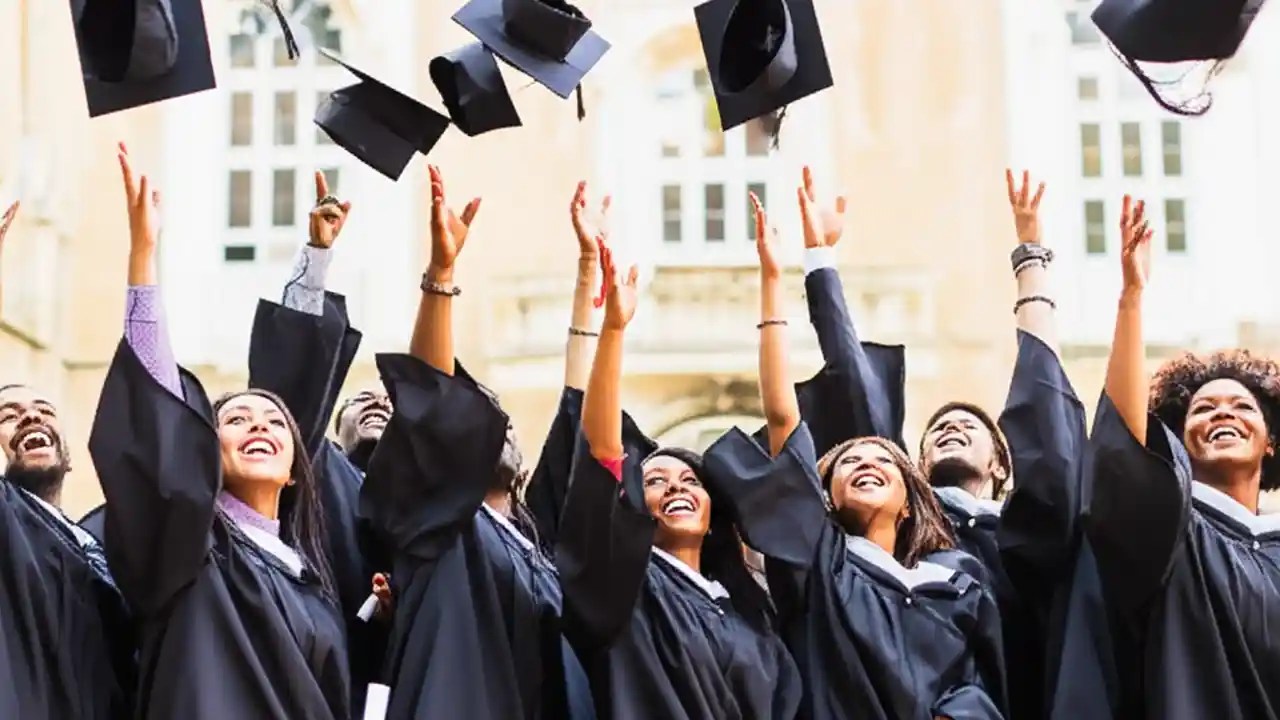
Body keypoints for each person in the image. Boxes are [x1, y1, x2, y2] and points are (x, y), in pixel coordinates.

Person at [701, 189, 1006, 719]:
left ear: (912, 500)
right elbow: (782, 418)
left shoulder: (957, 580)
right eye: (847, 462)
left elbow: (978, 681)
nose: (866, 461)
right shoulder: (821, 562)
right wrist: (773, 284)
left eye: (884, 460)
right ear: (823, 496)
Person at [89, 143, 349, 719]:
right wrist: (144, 258)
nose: (259, 424)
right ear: (205, 450)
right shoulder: (193, 547)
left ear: (296, 468)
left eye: (274, 423)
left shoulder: (311, 574)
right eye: (234, 419)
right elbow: (157, 417)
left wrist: (316, 262)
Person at [358, 165, 593, 719]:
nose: (503, 432)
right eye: (484, 422)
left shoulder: (534, 540)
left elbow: (577, 408)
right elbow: (432, 401)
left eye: (507, 424)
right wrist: (442, 272)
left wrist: (588, 277)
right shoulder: (441, 521)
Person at [558, 227, 801, 719]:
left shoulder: (751, 613)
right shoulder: (625, 588)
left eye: (691, 481)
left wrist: (773, 282)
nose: (676, 487)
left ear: (715, 515)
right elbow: (602, 447)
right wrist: (615, 330)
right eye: (655, 480)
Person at [1088, 195, 1280, 717]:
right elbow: (1123, 447)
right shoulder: (1174, 535)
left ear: (1271, 440)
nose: (1223, 414)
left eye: (1242, 406)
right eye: (1203, 408)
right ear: (1178, 438)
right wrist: (1131, 298)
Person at [243, 170, 388, 713]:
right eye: (360, 401)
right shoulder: (312, 465)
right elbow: (287, 394)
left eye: (389, 404)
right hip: (299, 662)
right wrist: (316, 262)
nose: (378, 404)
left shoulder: (415, 504)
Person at [0, 196, 134, 716]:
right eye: (8, 414)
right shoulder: (9, 525)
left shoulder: (103, 541)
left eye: (43, 408)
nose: (30, 417)